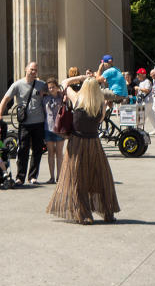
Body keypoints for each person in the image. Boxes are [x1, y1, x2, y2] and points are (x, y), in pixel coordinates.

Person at [47, 75, 120, 224]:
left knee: (77, 178)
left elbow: (64, 83)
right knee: (101, 177)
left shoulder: (77, 99)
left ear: (84, 88)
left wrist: (83, 77)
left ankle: (84, 214)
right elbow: (99, 121)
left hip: (77, 143)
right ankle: (108, 212)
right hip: (94, 142)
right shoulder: (101, 103)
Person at [0, 61, 49, 186]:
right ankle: (20, 177)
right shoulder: (17, 84)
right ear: (26, 69)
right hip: (25, 123)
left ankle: (33, 177)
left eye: (35, 70)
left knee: (37, 150)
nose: (33, 72)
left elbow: (54, 93)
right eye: (31, 69)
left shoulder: (42, 85)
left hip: (39, 122)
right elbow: (6, 99)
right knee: (23, 150)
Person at [42, 78, 66, 182]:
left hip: (60, 128)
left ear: (57, 87)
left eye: (53, 87)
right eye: (49, 88)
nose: (51, 89)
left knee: (59, 153)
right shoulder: (45, 99)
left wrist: (62, 93)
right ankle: (52, 177)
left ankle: (59, 176)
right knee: (51, 153)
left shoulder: (62, 97)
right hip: (48, 127)